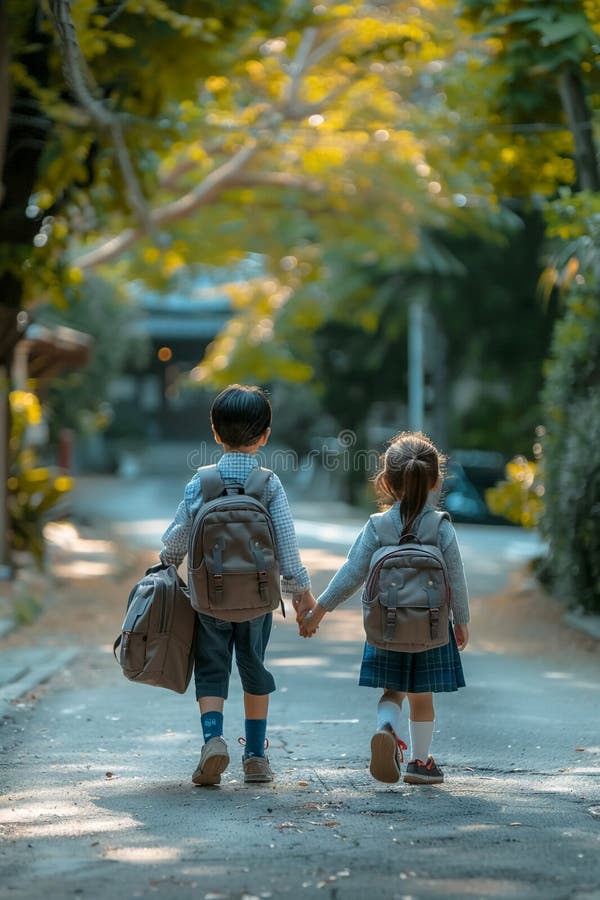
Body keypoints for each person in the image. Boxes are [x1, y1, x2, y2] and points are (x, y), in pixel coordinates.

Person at [160, 384, 316, 786]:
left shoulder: (201, 482)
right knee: (254, 668)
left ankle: (213, 741)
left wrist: (164, 566)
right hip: (257, 601)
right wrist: (301, 594)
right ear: (265, 435)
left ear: (215, 432)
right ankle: (256, 756)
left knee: (211, 669)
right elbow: (286, 545)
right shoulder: (269, 484)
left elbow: (177, 540)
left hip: (208, 599)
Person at [297, 431, 469, 786]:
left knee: (392, 691)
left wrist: (318, 612)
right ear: (436, 480)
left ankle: (386, 728)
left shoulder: (378, 526)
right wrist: (461, 621)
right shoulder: (440, 527)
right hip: (432, 627)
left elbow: (352, 573)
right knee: (422, 696)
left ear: (387, 482)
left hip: (386, 626)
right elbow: (456, 577)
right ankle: (420, 763)